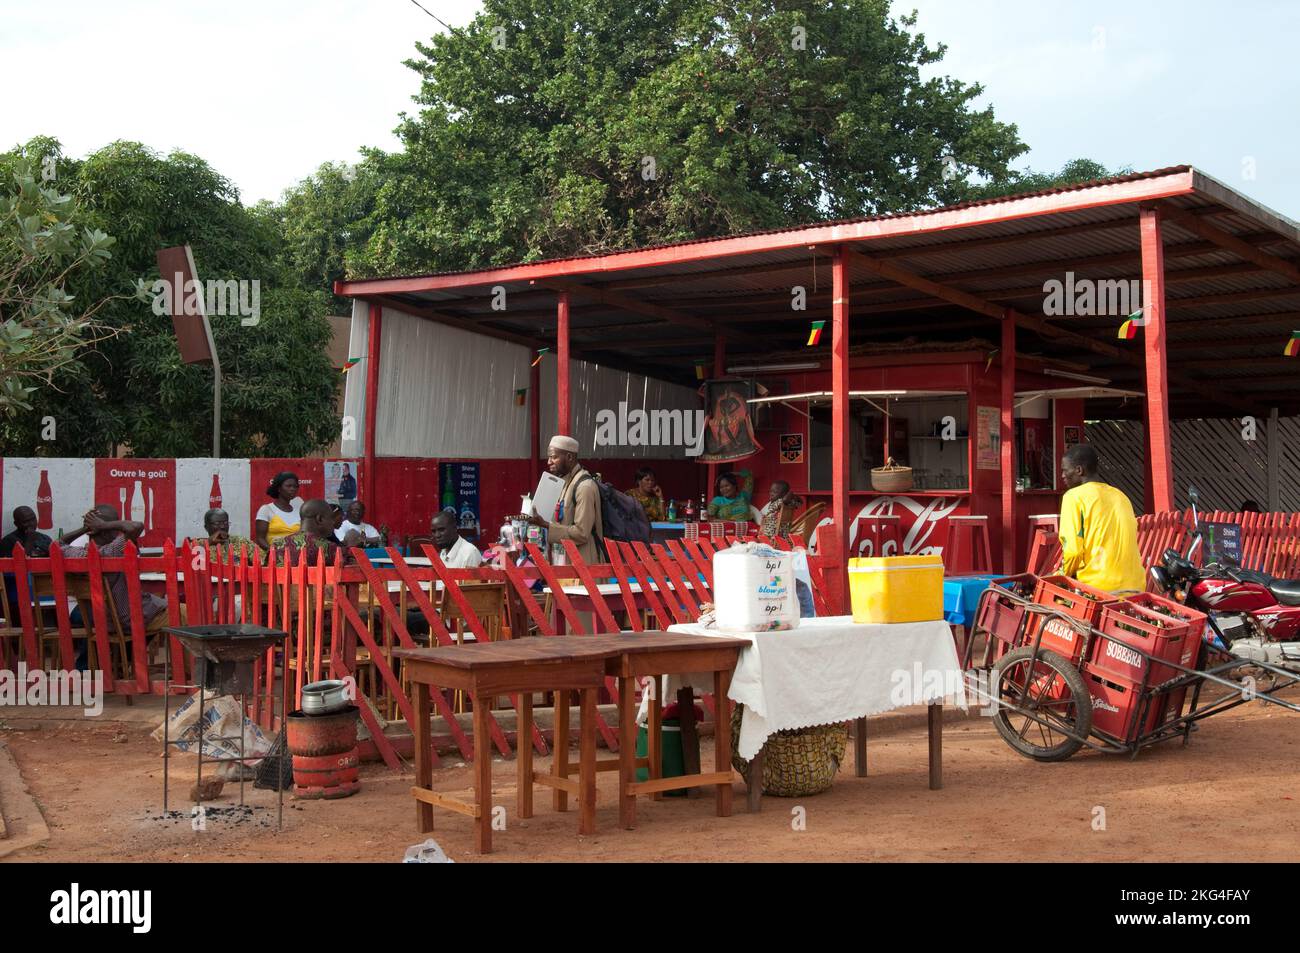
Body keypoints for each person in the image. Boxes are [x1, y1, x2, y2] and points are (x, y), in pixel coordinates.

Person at [60, 504, 178, 636]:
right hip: (132, 618)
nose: (117, 531)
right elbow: (136, 527)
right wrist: (103, 525)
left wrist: (85, 528)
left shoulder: (74, 554)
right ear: (106, 530)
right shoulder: (111, 551)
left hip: (105, 620)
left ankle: (129, 655)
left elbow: (57, 544)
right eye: (114, 527)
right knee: (187, 613)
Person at [1058, 444, 1146, 594]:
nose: (1062, 476)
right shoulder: (1121, 496)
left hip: (1100, 588)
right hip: (1135, 586)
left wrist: (1060, 575)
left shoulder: (1073, 497)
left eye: (1065, 470)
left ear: (1079, 470)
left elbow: (1073, 552)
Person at [526, 435, 604, 564]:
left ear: (569, 457)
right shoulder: (564, 483)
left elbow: (581, 533)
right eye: (549, 457)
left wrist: (545, 524)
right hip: (565, 562)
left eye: (554, 457)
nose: (549, 462)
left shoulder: (585, 487)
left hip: (584, 565)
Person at [278, 499, 362, 567]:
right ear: (320, 519)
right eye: (331, 518)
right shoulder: (330, 548)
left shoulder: (277, 545)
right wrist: (352, 546)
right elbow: (357, 572)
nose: (333, 523)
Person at [1, 506, 53, 610]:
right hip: (20, 590)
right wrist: (29, 540)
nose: (31, 524)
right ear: (17, 524)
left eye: (33, 519)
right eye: (26, 522)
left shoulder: (44, 538)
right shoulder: (8, 541)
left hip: (45, 587)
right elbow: (12, 570)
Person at [255, 471, 303, 550]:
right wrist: (275, 553)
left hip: (295, 558)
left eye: (295, 486)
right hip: (272, 557)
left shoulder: (299, 512)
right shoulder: (266, 510)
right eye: (288, 486)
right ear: (279, 488)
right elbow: (260, 539)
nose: (293, 489)